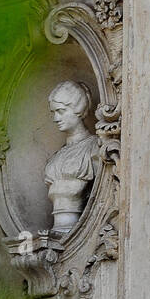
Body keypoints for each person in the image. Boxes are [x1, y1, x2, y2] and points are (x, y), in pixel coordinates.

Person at [45, 80, 99, 233]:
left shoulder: (94, 148)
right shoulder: (55, 158)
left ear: (78, 110)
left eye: (61, 111)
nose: (55, 118)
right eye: (53, 112)